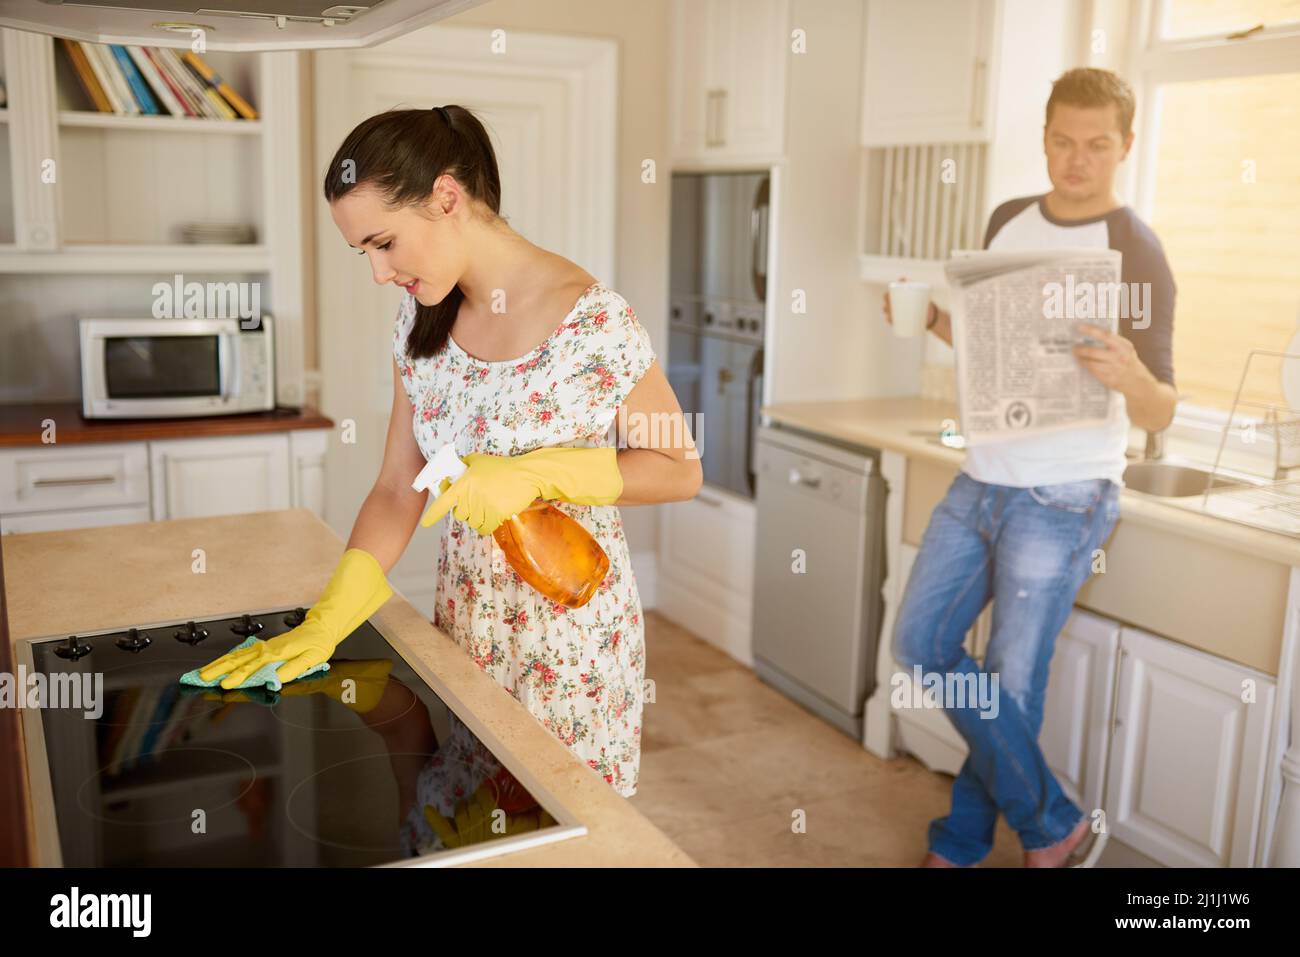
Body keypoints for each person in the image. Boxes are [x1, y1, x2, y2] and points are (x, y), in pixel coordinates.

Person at [198, 104, 702, 801]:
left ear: (445, 197)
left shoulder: (592, 319)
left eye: (384, 243)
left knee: (560, 837)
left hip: (572, 648)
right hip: (464, 628)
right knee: (457, 824)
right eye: (365, 253)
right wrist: (331, 615)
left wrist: (533, 474)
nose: (379, 273)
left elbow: (680, 468)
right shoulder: (421, 316)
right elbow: (398, 486)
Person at [882, 68, 1177, 867]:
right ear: (1043, 135)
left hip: (1065, 491)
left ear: (1126, 146)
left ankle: (964, 839)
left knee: (1008, 683)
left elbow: (1162, 409)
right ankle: (1053, 825)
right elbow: (996, 349)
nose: (1076, 161)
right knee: (919, 643)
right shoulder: (1008, 220)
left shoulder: (1135, 249)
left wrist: (1130, 376)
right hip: (984, 472)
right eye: (1061, 141)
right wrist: (937, 319)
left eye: (1097, 146)